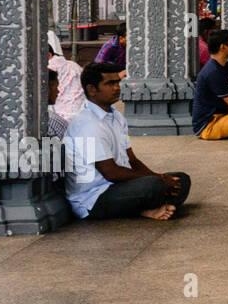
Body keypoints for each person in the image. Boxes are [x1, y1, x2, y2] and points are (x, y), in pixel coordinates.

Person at [65, 63, 191, 221]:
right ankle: (145, 209)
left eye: (117, 82)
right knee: (154, 186)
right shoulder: (87, 124)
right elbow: (111, 173)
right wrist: (159, 180)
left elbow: (132, 160)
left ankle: (148, 207)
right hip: (93, 199)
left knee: (181, 180)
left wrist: (160, 177)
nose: (117, 88)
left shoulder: (116, 116)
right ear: (92, 89)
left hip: (119, 187)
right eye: (110, 84)